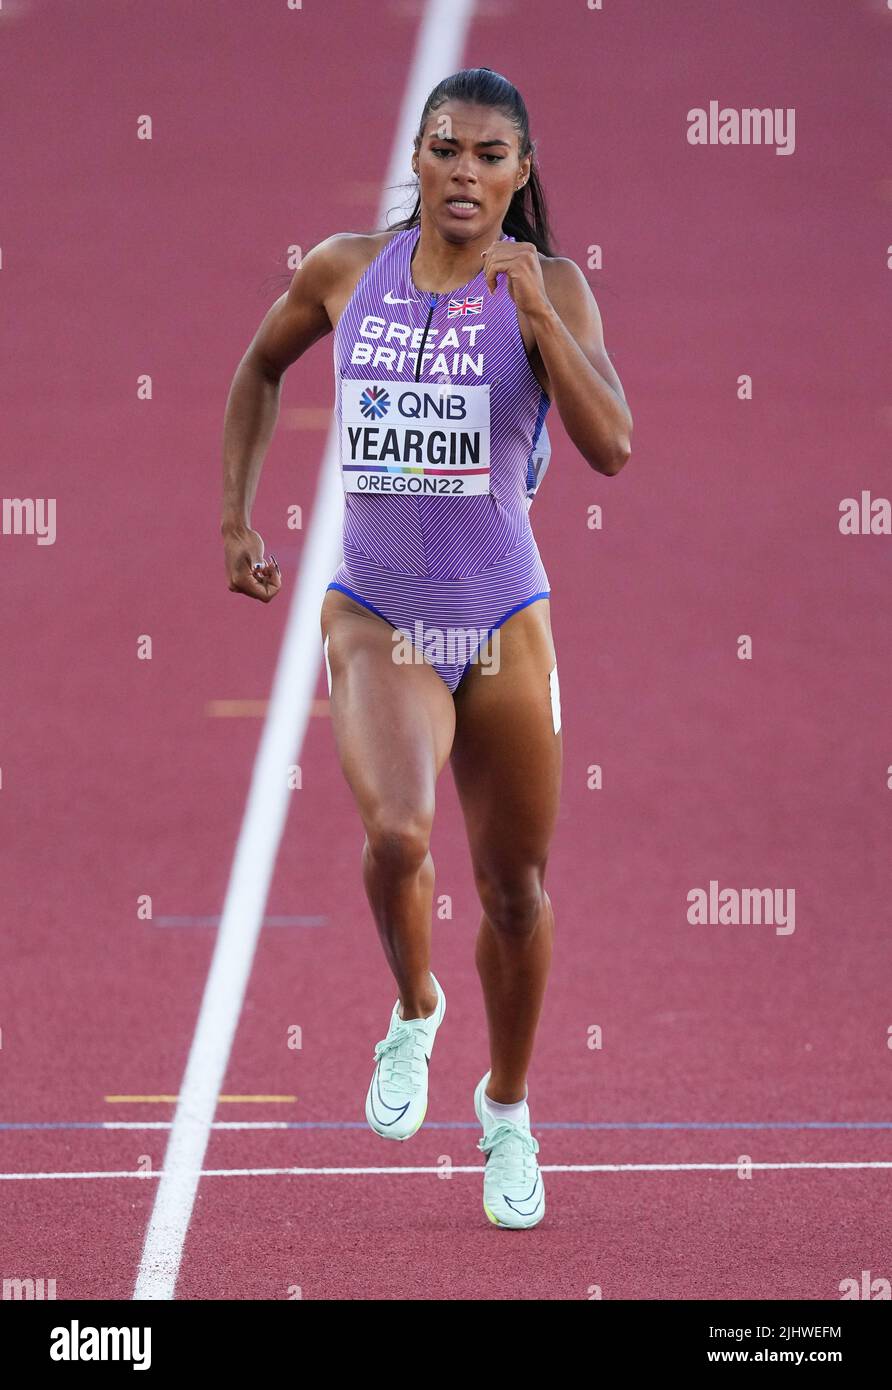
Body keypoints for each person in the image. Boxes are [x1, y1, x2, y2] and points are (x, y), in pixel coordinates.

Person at [221, 67, 632, 1230]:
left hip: (501, 613)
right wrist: (235, 517)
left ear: (520, 174)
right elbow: (258, 369)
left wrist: (542, 319)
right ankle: (414, 1011)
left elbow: (613, 449)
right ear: (417, 153)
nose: (464, 170)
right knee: (398, 830)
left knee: (514, 891)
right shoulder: (347, 268)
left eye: (489, 155)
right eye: (446, 147)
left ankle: (506, 1108)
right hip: (378, 605)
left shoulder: (549, 285)